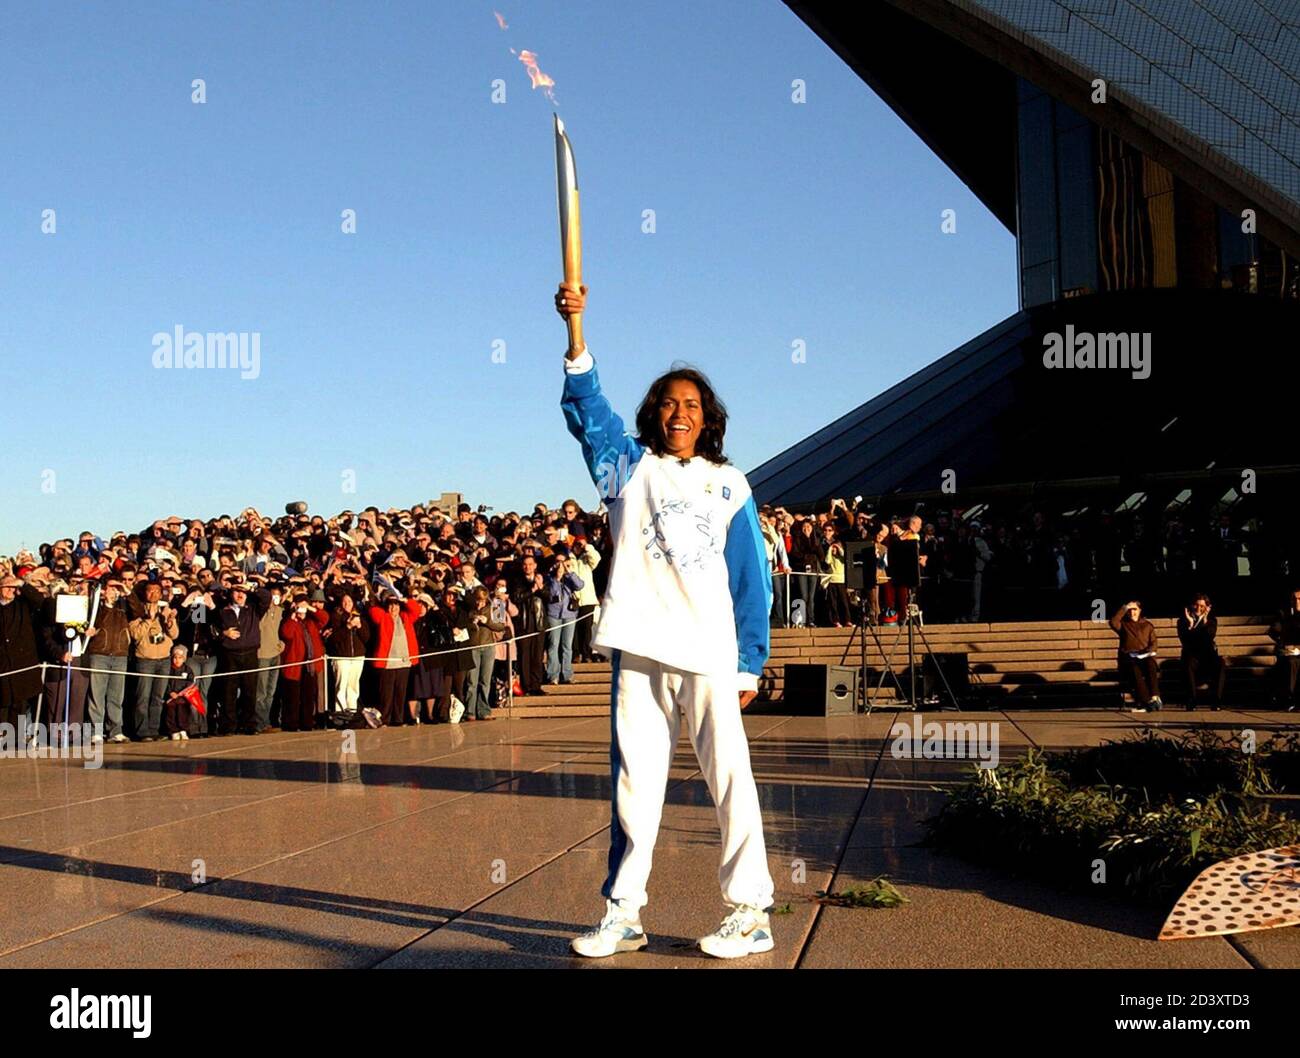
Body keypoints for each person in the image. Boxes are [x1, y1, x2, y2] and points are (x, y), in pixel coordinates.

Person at [556, 281, 775, 960]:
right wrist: (576, 333)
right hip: (640, 647)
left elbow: (750, 578)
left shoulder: (731, 484)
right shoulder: (625, 465)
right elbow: (586, 410)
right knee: (633, 785)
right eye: (670, 403)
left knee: (729, 779)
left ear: (709, 417)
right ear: (654, 413)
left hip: (710, 649)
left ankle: (751, 911)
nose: (680, 412)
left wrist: (751, 659)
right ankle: (624, 912)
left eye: (692, 404)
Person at [215, 582, 271, 735]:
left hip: (250, 653)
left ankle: (249, 725)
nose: (240, 595)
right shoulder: (221, 609)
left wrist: (251, 588)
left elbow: (267, 597)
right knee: (228, 692)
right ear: (230, 593)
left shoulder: (253, 609)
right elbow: (202, 625)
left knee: (249, 691)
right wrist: (223, 634)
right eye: (236, 592)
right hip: (229, 654)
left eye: (243, 592)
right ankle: (228, 726)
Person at [85, 579, 131, 742]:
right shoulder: (97, 606)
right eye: (111, 588)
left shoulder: (124, 607)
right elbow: (95, 622)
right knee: (97, 695)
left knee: (116, 696)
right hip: (99, 653)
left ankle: (115, 730)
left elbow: (138, 611)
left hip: (120, 655)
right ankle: (95, 731)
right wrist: (105, 603)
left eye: (116, 588)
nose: (114, 591)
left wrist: (126, 591)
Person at [278, 596, 328, 731]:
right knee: (292, 697)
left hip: (310, 665)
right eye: (300, 606)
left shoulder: (312, 621)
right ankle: (291, 724)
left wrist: (311, 608)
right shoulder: (289, 620)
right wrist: (293, 616)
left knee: (308, 696)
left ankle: (307, 723)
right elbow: (286, 634)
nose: (302, 609)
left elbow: (324, 618)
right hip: (295, 664)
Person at [1110, 600, 1163, 712]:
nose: (1132, 612)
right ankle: (1147, 701)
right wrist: (1124, 607)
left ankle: (1155, 697)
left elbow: (1154, 643)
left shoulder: (1147, 625)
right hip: (1129, 658)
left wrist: (1147, 652)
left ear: (1140, 611)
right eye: (1129, 610)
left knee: (1150, 664)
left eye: (1134, 609)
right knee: (1134, 669)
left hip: (1145, 656)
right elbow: (1113, 622)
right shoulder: (1123, 625)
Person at [543, 548, 584, 685]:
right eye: (557, 562)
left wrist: (568, 573)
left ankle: (567, 674)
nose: (559, 565)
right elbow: (551, 593)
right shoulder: (549, 577)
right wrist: (557, 577)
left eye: (562, 562)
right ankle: (552, 674)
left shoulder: (571, 576)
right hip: (553, 614)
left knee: (567, 645)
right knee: (553, 644)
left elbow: (579, 586)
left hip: (569, 613)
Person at [1177, 593, 1225, 711]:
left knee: (1221, 663)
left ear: (1208, 607)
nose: (1198, 608)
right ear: (1191, 606)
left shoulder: (1212, 620)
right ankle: (1192, 700)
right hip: (1191, 656)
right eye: (1196, 605)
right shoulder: (1182, 621)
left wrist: (1204, 622)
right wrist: (1191, 624)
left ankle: (1216, 701)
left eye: (1202, 606)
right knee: (1188, 663)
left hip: (1207, 657)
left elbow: (1209, 637)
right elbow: (1185, 640)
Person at [325, 591, 369, 715]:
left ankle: (352, 711)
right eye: (344, 602)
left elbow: (366, 638)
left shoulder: (359, 616)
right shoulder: (335, 617)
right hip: (341, 657)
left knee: (353, 686)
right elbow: (334, 639)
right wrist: (348, 627)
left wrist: (359, 626)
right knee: (341, 685)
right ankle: (341, 713)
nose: (347, 604)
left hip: (357, 656)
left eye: (349, 601)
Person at [1267, 587, 1300, 710]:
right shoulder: (1284, 614)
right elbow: (1274, 630)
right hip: (1289, 651)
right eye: (1294, 599)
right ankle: (1289, 698)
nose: (1297, 602)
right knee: (1290, 662)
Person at [161, 645, 197, 740]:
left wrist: (181, 693)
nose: (177, 660)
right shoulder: (168, 669)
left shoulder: (188, 670)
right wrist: (170, 692)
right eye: (175, 657)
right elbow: (165, 682)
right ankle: (173, 731)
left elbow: (190, 683)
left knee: (182, 711)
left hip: (182, 696)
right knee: (171, 711)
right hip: (171, 697)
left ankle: (183, 729)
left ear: (184, 659)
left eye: (180, 658)